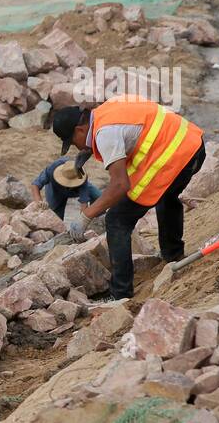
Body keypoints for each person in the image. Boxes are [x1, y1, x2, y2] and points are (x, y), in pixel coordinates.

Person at [50, 100, 205, 300]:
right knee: (166, 194)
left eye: (73, 142)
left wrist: (86, 215)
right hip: (192, 143)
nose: (75, 147)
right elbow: (128, 130)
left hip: (176, 154)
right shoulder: (105, 111)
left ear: (80, 130)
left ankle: (120, 295)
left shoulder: (105, 134)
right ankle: (173, 255)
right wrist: (87, 150)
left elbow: (120, 186)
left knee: (117, 219)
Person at [32, 158, 100, 219]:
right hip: (56, 191)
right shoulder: (52, 169)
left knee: (99, 197)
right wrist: (39, 201)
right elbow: (35, 185)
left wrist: (82, 221)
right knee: (56, 217)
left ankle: (97, 221)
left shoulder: (81, 176)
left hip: (75, 191)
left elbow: (84, 202)